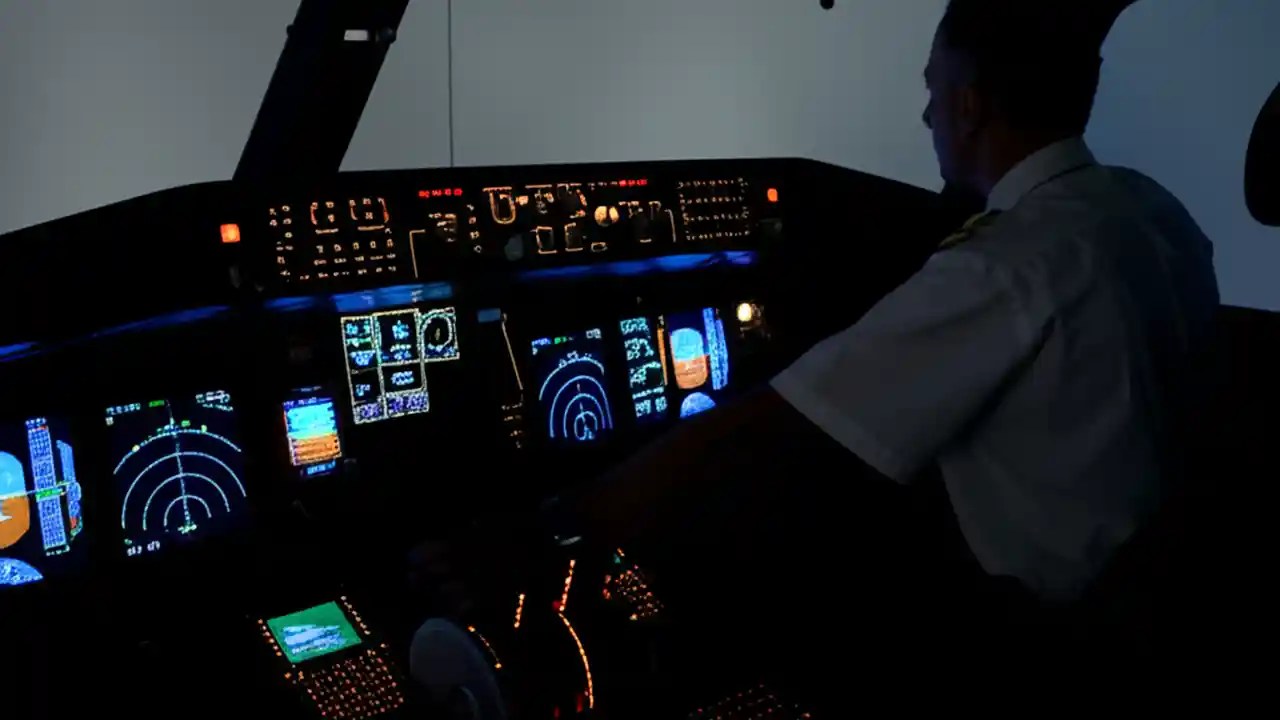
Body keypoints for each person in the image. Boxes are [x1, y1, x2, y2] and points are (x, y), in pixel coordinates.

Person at [574, 0, 1220, 615]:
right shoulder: (1151, 209)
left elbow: (781, 426)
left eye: (932, 91)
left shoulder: (1008, 264)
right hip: (1147, 584)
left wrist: (574, 519)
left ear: (968, 108)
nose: (926, 117)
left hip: (1037, 621)